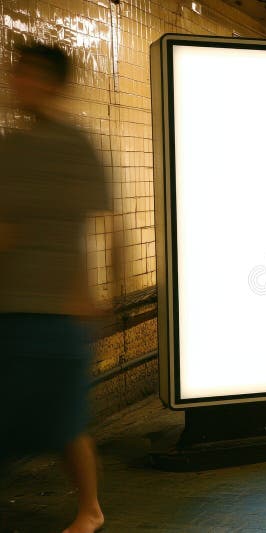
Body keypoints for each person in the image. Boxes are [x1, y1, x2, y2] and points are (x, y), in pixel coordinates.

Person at [0, 43, 113, 533]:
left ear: (52, 82)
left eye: (25, 76)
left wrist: (95, 295)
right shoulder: (10, 146)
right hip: (9, 303)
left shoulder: (75, 144)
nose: (15, 85)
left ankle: (90, 508)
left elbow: (110, 224)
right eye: (14, 75)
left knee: (64, 421)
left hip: (58, 309)